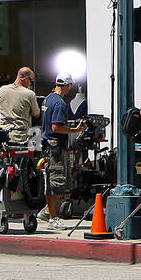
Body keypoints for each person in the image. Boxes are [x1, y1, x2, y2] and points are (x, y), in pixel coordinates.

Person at [42, 74, 87, 228]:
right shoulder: (60, 104)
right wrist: (75, 129)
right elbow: (56, 127)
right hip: (56, 148)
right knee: (57, 183)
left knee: (54, 181)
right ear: (68, 86)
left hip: (49, 146)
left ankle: (47, 210)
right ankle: (52, 218)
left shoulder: (48, 99)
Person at [0, 66, 40, 145]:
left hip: (3, 136)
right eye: (31, 80)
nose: (30, 83)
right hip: (21, 137)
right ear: (24, 78)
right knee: (37, 141)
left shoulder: (2, 90)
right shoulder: (29, 94)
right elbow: (36, 115)